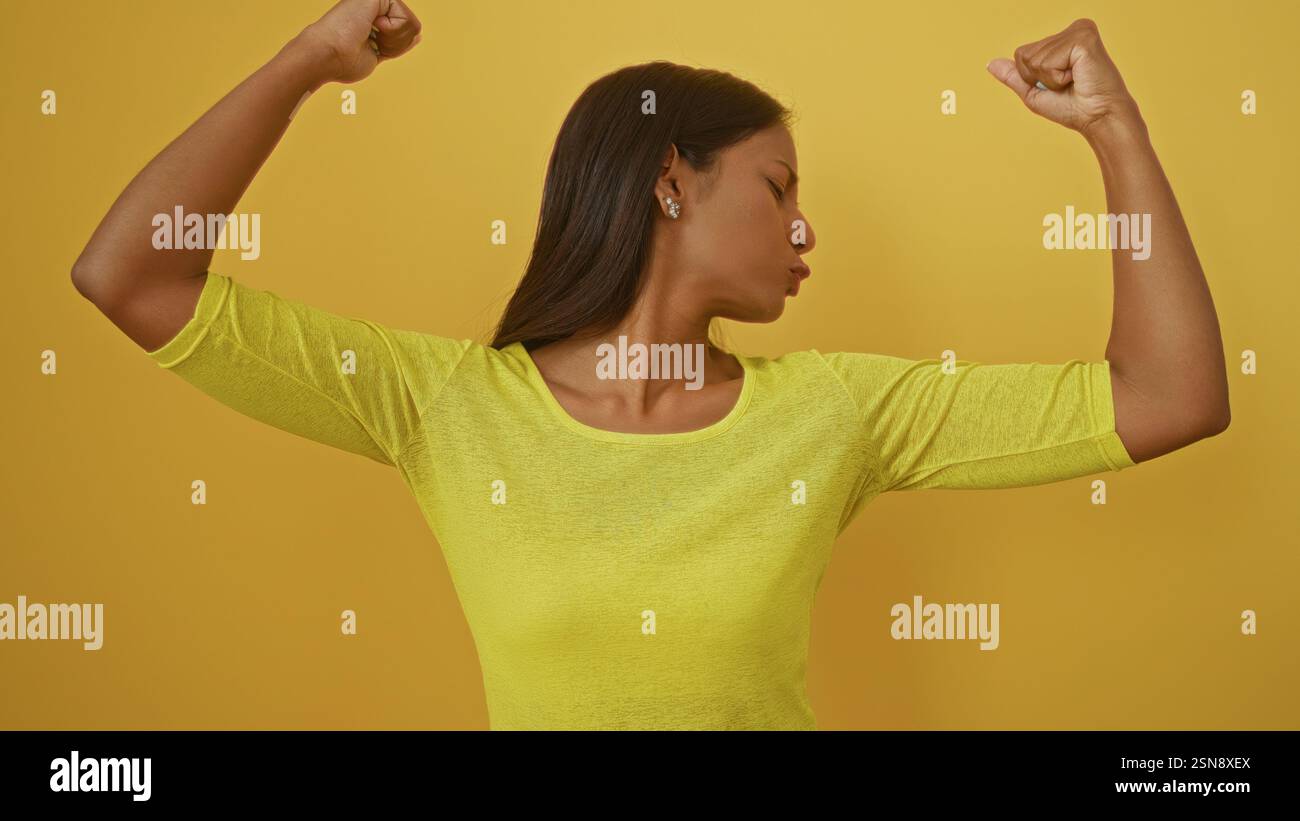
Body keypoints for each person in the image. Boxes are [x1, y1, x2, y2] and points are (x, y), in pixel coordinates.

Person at [71, 2, 1230, 729]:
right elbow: (133, 277)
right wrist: (303, 63)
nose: (803, 229)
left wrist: (1112, 129)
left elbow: (1167, 397)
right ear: (672, 178)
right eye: (779, 189)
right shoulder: (447, 406)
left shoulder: (838, 413)